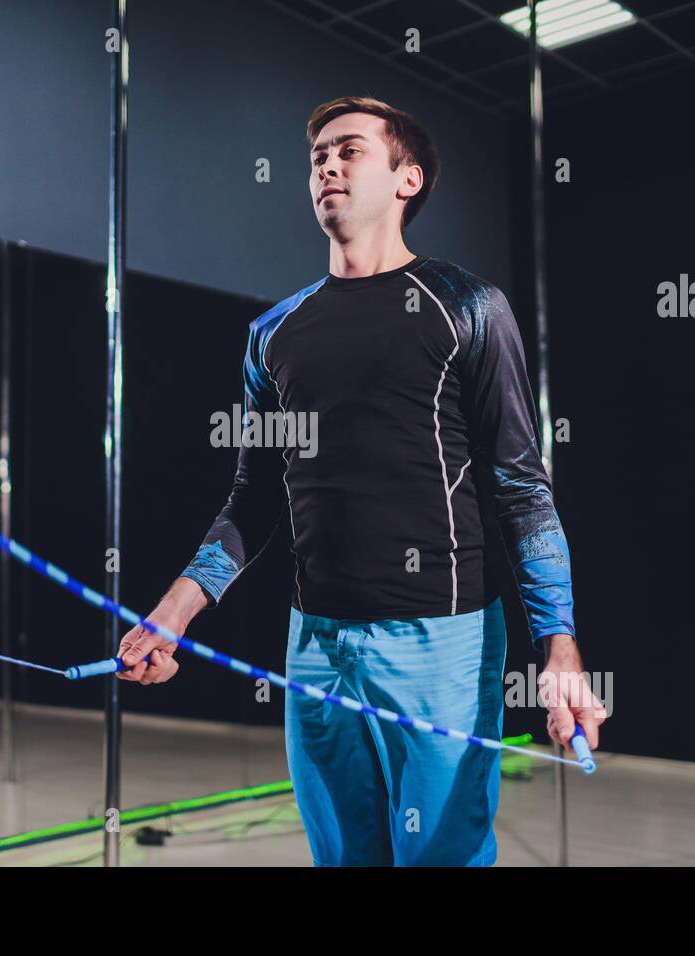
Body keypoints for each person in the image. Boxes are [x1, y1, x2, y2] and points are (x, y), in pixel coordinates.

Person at [118, 95, 605, 866]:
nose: (327, 167)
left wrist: (560, 648)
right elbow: (254, 495)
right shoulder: (273, 333)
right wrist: (174, 614)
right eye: (317, 158)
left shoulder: (468, 308)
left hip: (441, 642)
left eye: (349, 151)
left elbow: (521, 486)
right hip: (316, 643)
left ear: (407, 178)